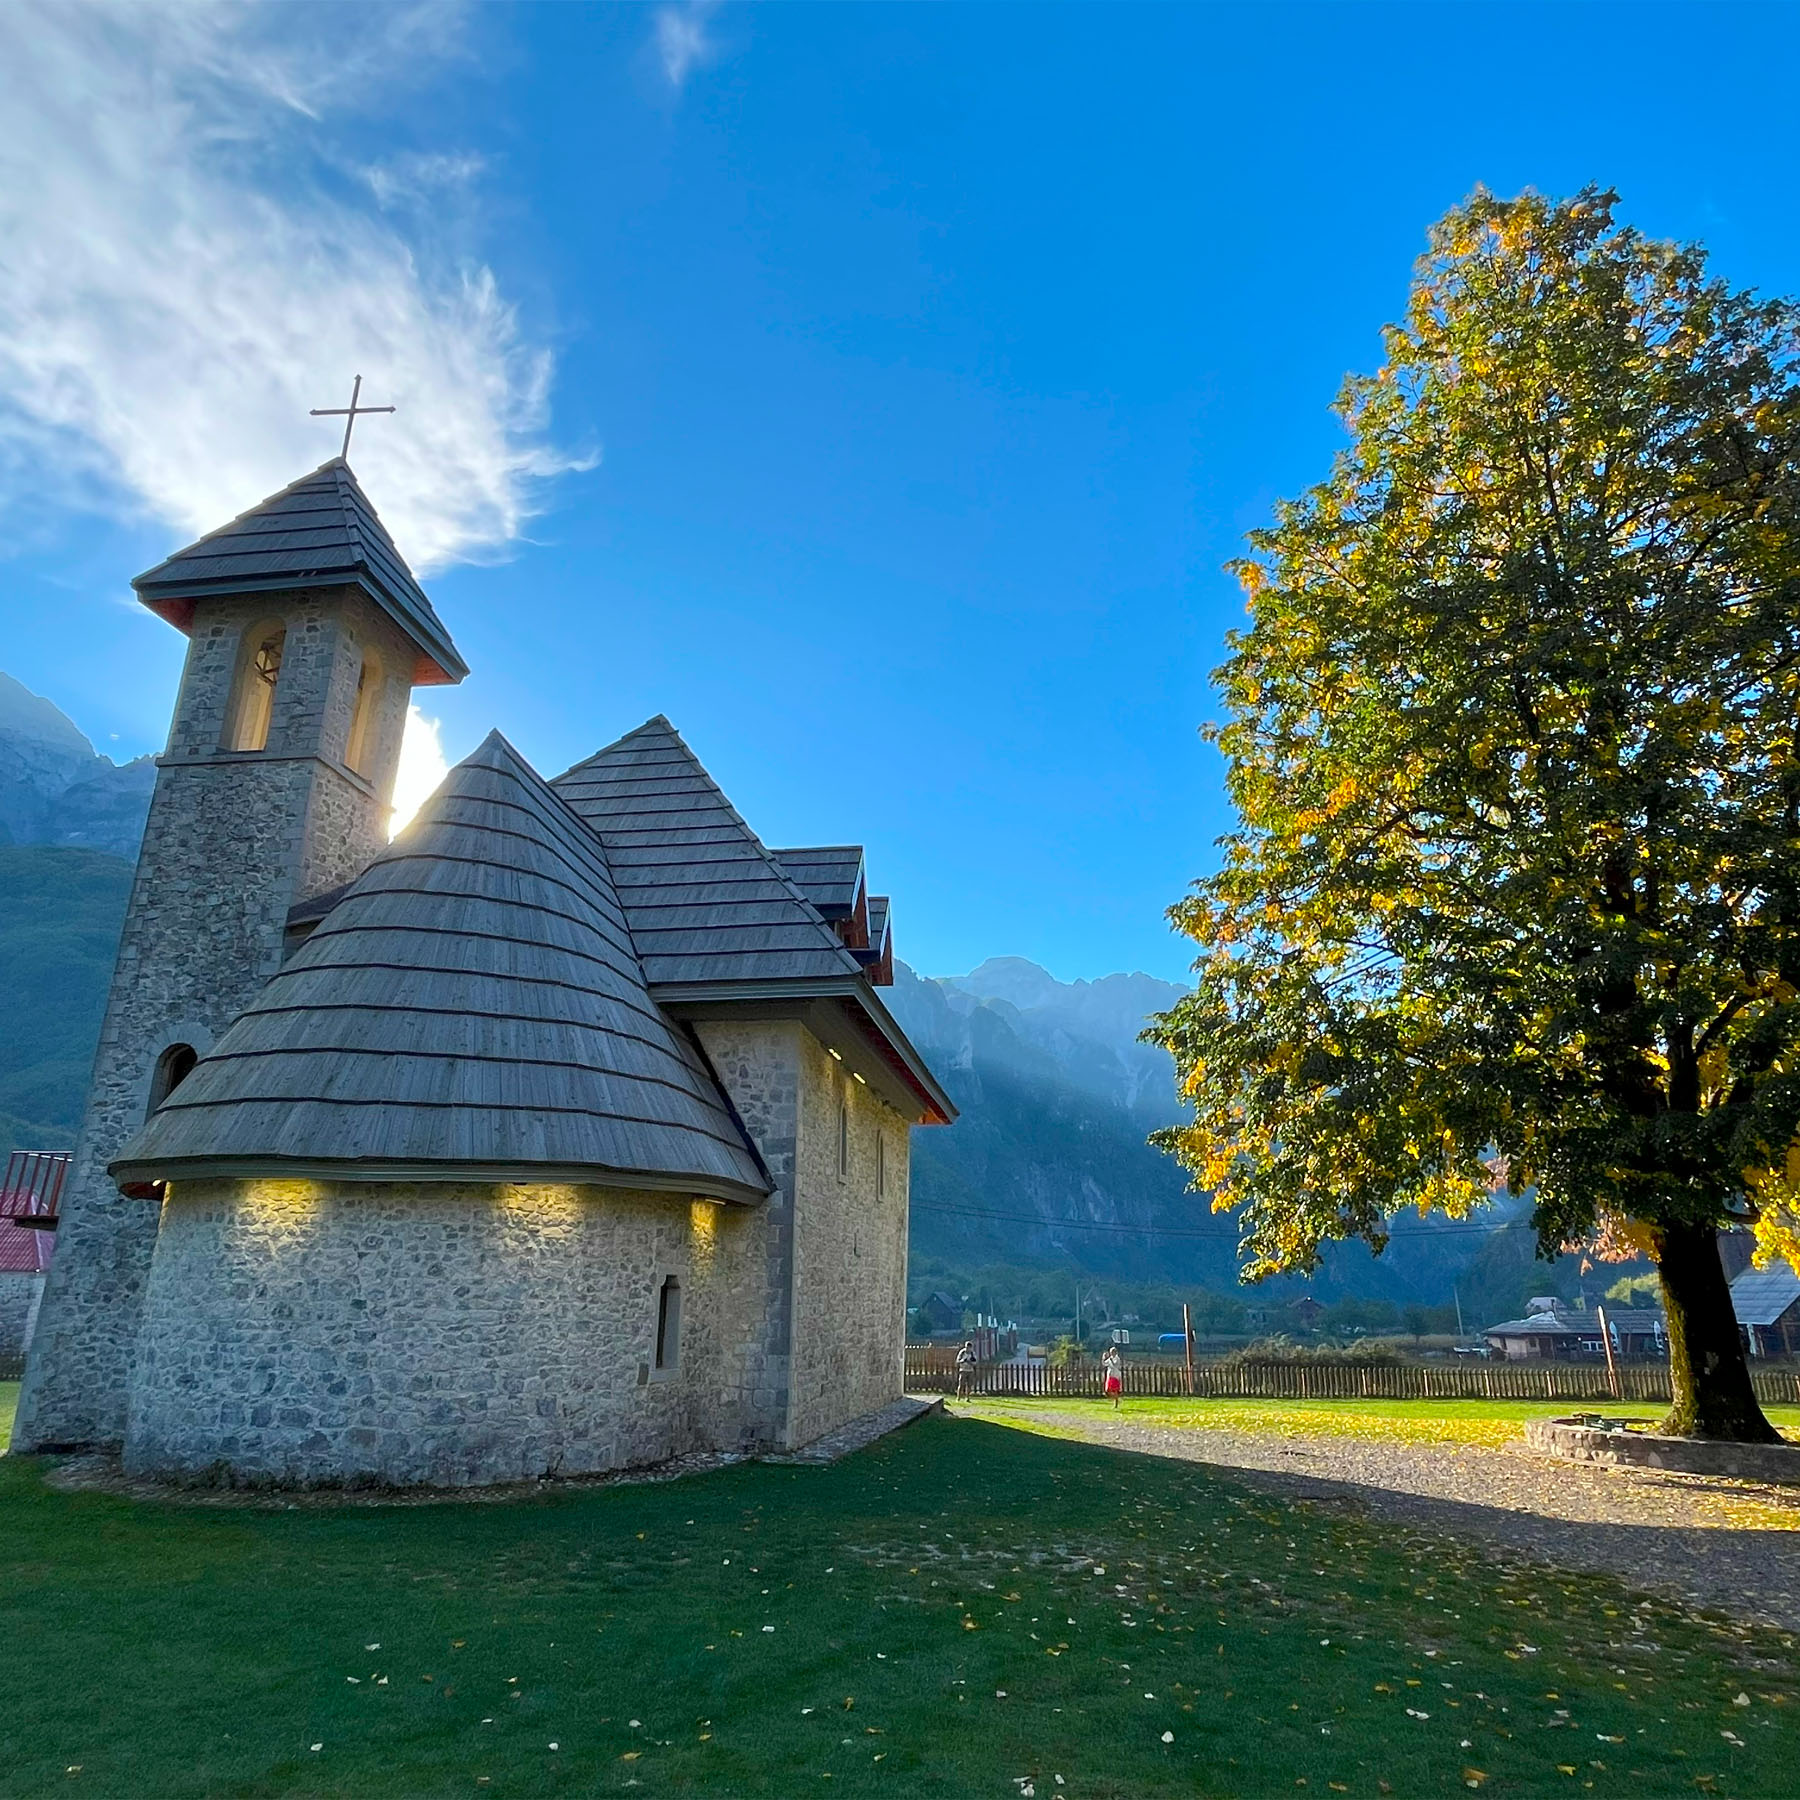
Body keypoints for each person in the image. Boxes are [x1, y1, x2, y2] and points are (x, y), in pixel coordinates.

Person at [1100, 1342, 1123, 1410]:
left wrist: (1110, 1360)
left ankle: (1116, 1402)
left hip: (1115, 1376)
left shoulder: (1117, 1358)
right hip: (1110, 1375)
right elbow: (1104, 1364)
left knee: (1115, 1390)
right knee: (1107, 1390)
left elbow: (1115, 1365)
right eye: (1111, 1352)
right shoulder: (1110, 1358)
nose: (1112, 1353)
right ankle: (1116, 1399)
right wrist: (1103, 1358)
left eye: (1113, 1352)